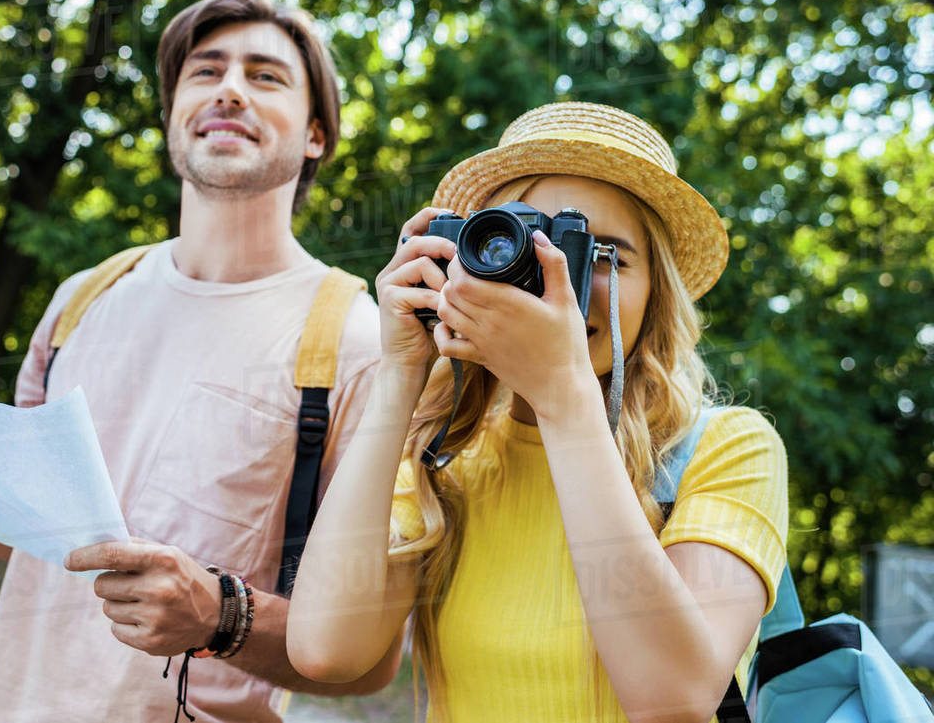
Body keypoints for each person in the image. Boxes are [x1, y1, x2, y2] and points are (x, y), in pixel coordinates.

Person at [0, 0, 397, 722]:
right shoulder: (85, 298)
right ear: (173, 113)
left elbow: (367, 658)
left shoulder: (357, 344)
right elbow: (7, 529)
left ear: (316, 133)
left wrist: (218, 614)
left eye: (265, 76)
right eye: (206, 70)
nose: (230, 89)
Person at [286, 102, 789, 722]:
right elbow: (325, 650)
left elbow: (673, 701)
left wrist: (561, 391)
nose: (558, 280)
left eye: (601, 254)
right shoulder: (445, 461)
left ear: (656, 294)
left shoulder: (728, 447)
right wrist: (401, 374)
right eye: (529, 245)